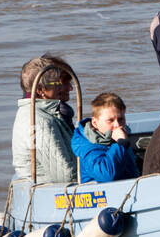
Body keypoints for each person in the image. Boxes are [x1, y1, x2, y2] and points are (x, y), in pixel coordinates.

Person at [12, 54, 78, 183]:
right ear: (40, 89)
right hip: (49, 190)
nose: (60, 87)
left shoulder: (41, 112)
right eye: (56, 83)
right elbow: (65, 175)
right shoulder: (40, 121)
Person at [72, 92, 141, 182]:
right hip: (100, 193)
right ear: (95, 123)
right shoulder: (86, 145)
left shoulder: (117, 138)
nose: (117, 125)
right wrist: (121, 144)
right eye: (110, 120)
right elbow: (107, 175)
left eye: (121, 119)